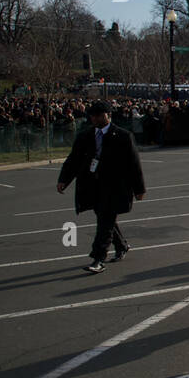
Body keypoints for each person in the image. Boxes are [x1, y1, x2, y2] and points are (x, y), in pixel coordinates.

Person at [57, 101, 146, 274]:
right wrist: (63, 180)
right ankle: (121, 245)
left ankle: (98, 258)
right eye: (93, 115)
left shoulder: (122, 136)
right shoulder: (85, 136)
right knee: (105, 217)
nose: (95, 118)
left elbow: (134, 164)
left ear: (108, 115)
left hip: (114, 186)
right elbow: (73, 160)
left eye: (99, 115)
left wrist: (139, 189)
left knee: (104, 221)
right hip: (92, 185)